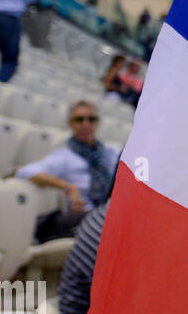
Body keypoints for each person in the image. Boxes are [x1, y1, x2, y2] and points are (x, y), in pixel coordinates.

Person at [15, 99, 120, 240]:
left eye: (91, 119)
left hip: (110, 211)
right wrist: (67, 186)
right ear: (71, 124)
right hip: (86, 214)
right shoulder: (64, 156)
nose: (86, 124)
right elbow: (25, 172)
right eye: (79, 119)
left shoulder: (110, 153)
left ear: (98, 122)